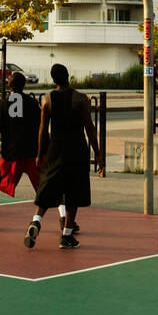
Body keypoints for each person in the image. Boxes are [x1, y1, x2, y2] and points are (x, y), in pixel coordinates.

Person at [24, 63, 101, 250]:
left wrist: (40, 153)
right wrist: (98, 154)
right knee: (73, 192)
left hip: (55, 148)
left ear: (53, 80)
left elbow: (42, 129)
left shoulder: (47, 99)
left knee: (48, 187)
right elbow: (89, 128)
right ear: (69, 76)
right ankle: (66, 236)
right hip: (76, 148)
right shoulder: (80, 99)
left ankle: (36, 221)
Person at [0, 72, 41, 232]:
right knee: (45, 187)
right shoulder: (33, 104)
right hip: (32, 152)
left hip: (10, 153)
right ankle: (63, 221)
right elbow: (42, 130)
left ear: (9, 85)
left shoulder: (3, 105)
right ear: (24, 85)